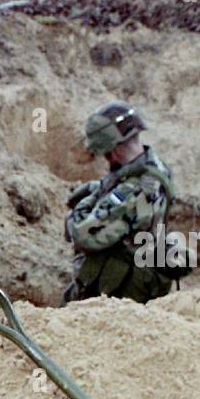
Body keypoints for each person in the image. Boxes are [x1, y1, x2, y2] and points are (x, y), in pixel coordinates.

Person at [63, 101, 187, 304]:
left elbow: (84, 234)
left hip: (120, 292)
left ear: (113, 150)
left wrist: (83, 206)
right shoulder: (155, 167)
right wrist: (99, 187)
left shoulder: (134, 189)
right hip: (139, 277)